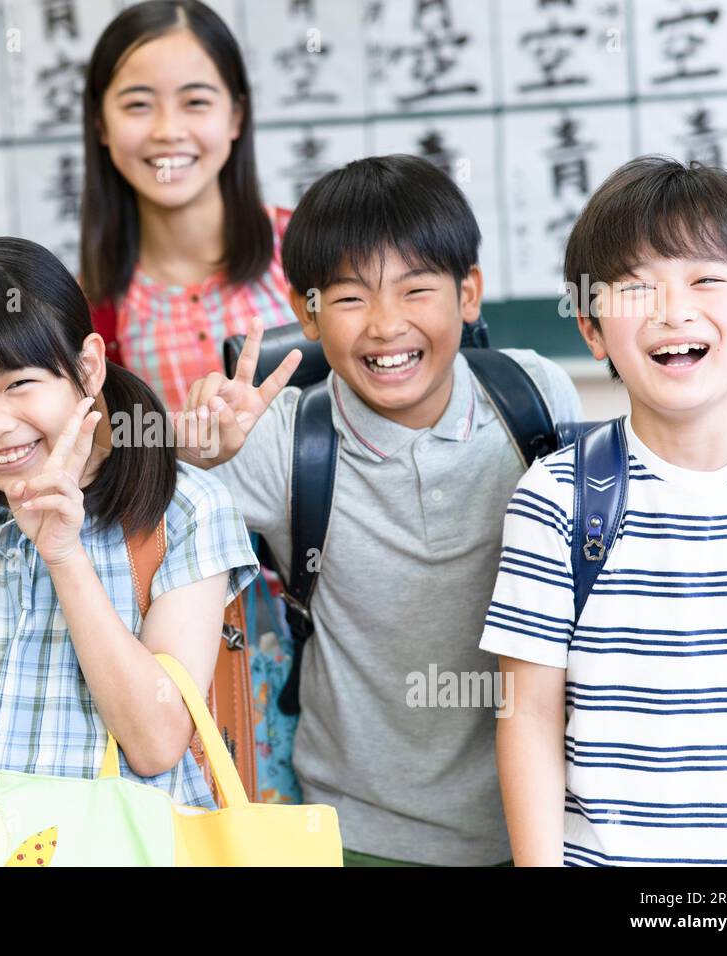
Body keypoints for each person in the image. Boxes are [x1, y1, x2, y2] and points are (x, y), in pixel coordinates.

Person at [177, 155, 583, 865]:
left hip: (540, 822)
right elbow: (130, 524)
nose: (386, 326)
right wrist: (198, 460)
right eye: (351, 298)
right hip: (359, 833)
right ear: (307, 312)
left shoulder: (537, 398)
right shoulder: (279, 440)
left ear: (469, 294)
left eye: (417, 288)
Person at [0, 237, 258, 866]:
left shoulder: (183, 511)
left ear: (88, 367)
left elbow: (156, 741)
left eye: (20, 383)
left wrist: (64, 554)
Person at [481, 157, 727, 866]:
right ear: (592, 329)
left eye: (706, 279)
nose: (673, 310)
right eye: (635, 287)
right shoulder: (556, 497)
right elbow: (530, 714)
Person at [80, 0, 297, 412]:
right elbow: (109, 461)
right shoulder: (86, 313)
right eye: (138, 105)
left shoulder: (311, 247)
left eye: (195, 101)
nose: (168, 131)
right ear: (101, 125)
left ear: (236, 116)